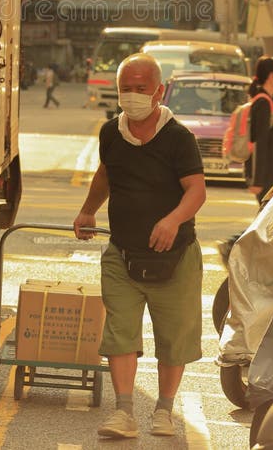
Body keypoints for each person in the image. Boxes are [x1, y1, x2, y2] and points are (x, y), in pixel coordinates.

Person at [73, 53, 206, 439]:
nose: (132, 96)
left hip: (176, 256)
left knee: (174, 338)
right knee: (120, 331)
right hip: (122, 253)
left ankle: (164, 412)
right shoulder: (111, 133)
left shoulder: (179, 138)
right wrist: (87, 211)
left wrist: (172, 219)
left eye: (141, 89)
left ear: (159, 91)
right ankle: (124, 412)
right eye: (125, 89)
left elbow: (196, 190)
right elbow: (105, 175)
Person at [247, 56, 273, 205]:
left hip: (272, 174)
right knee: (267, 219)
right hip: (268, 175)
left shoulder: (266, 101)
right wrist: (257, 180)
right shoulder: (263, 103)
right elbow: (260, 142)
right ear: (272, 77)